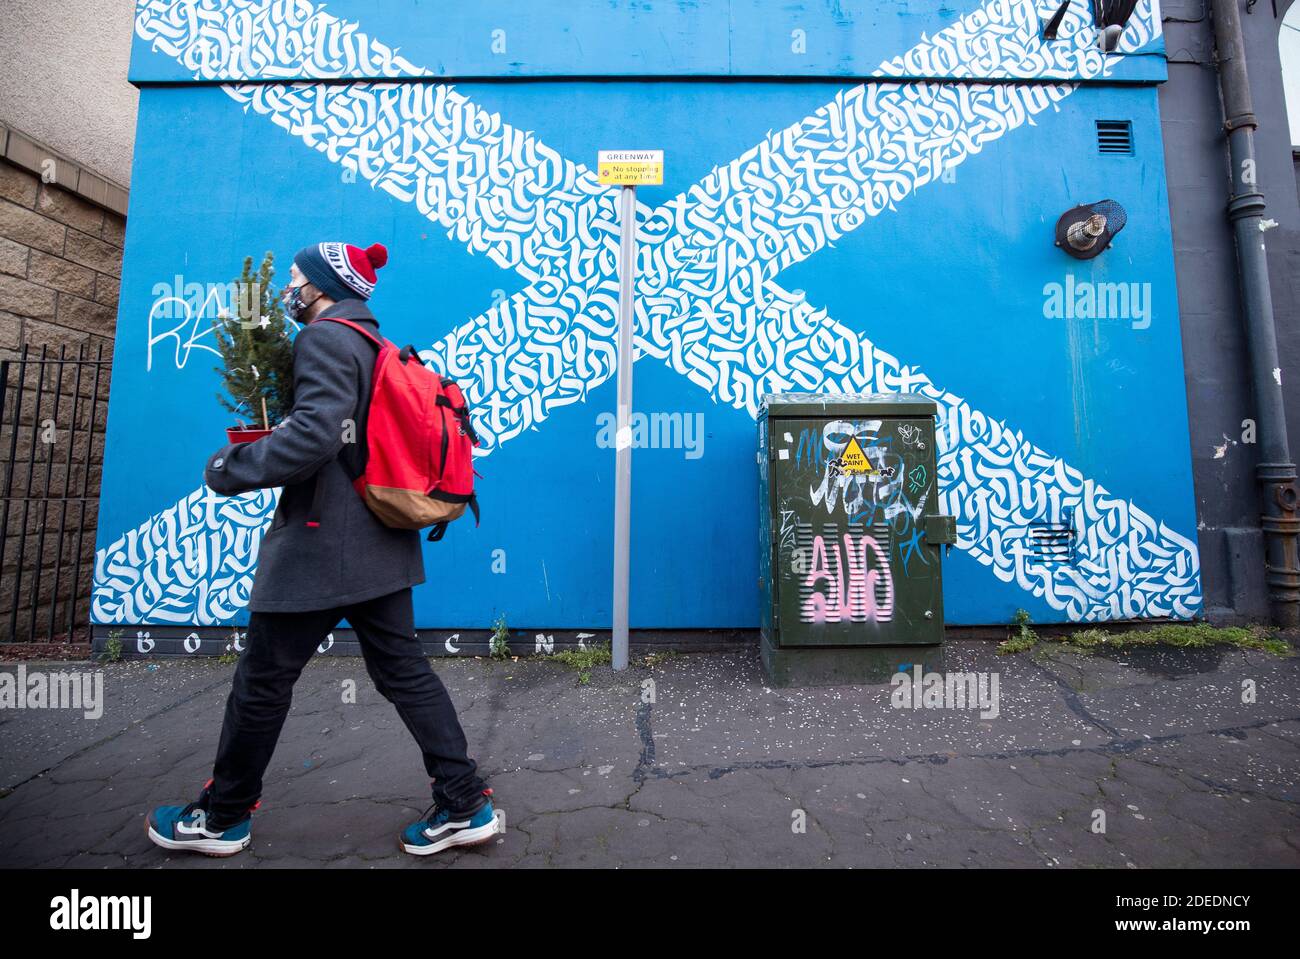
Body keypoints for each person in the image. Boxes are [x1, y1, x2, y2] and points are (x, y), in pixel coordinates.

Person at [146, 241, 497, 858]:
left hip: (323, 544)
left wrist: (232, 465)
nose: (288, 288)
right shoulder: (371, 342)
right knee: (403, 671)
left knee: (262, 681)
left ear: (321, 286)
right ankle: (464, 803)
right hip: (378, 538)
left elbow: (316, 434)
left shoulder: (326, 339)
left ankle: (223, 816)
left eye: (296, 278)